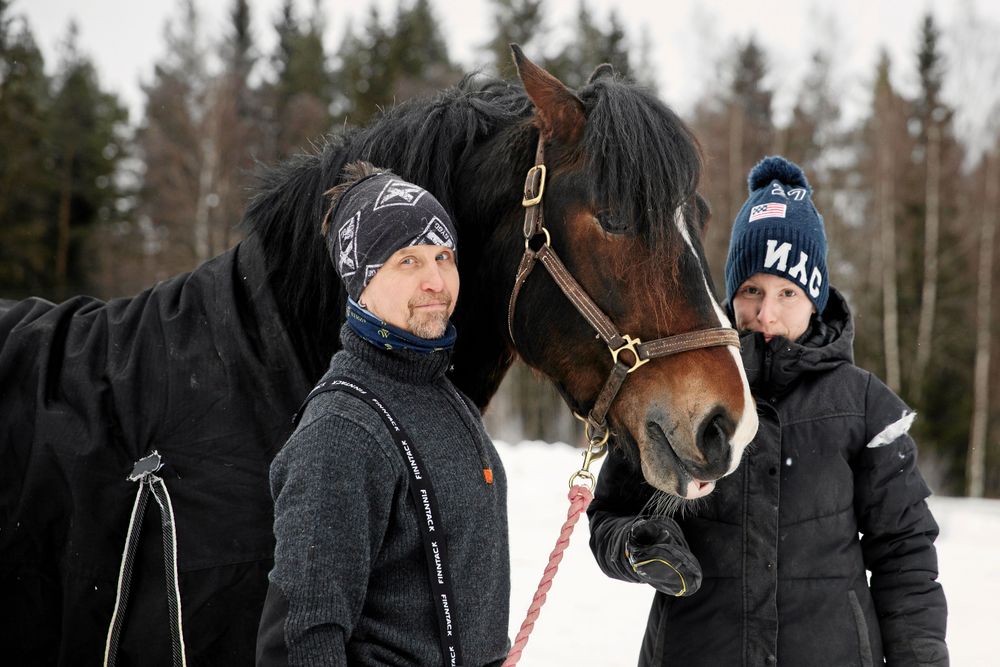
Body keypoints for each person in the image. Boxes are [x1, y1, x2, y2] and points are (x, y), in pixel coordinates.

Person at [587, 156, 949, 666]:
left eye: (788, 292)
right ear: (729, 293)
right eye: (752, 290)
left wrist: (921, 658)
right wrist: (639, 546)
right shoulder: (676, 387)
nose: (766, 313)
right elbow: (609, 517)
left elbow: (905, 552)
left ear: (815, 298)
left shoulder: (864, 406)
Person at [256, 162, 510, 666]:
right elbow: (302, 635)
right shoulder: (343, 431)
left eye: (444, 256)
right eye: (408, 262)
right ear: (362, 282)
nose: (437, 280)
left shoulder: (442, 395)